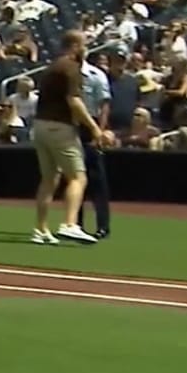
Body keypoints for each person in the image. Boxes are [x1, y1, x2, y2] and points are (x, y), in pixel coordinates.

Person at [29, 30, 109, 245]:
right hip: (60, 126)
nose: (86, 49)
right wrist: (94, 128)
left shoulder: (51, 67)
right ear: (74, 46)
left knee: (49, 179)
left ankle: (40, 229)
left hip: (40, 126)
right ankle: (70, 224)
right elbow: (74, 100)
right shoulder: (71, 67)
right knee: (77, 177)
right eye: (83, 44)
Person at [77, 49, 113, 238]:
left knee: (97, 180)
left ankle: (102, 226)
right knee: (74, 178)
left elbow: (104, 105)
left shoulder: (96, 75)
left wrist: (99, 131)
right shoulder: (66, 73)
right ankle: (76, 224)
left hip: (90, 126)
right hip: (71, 126)